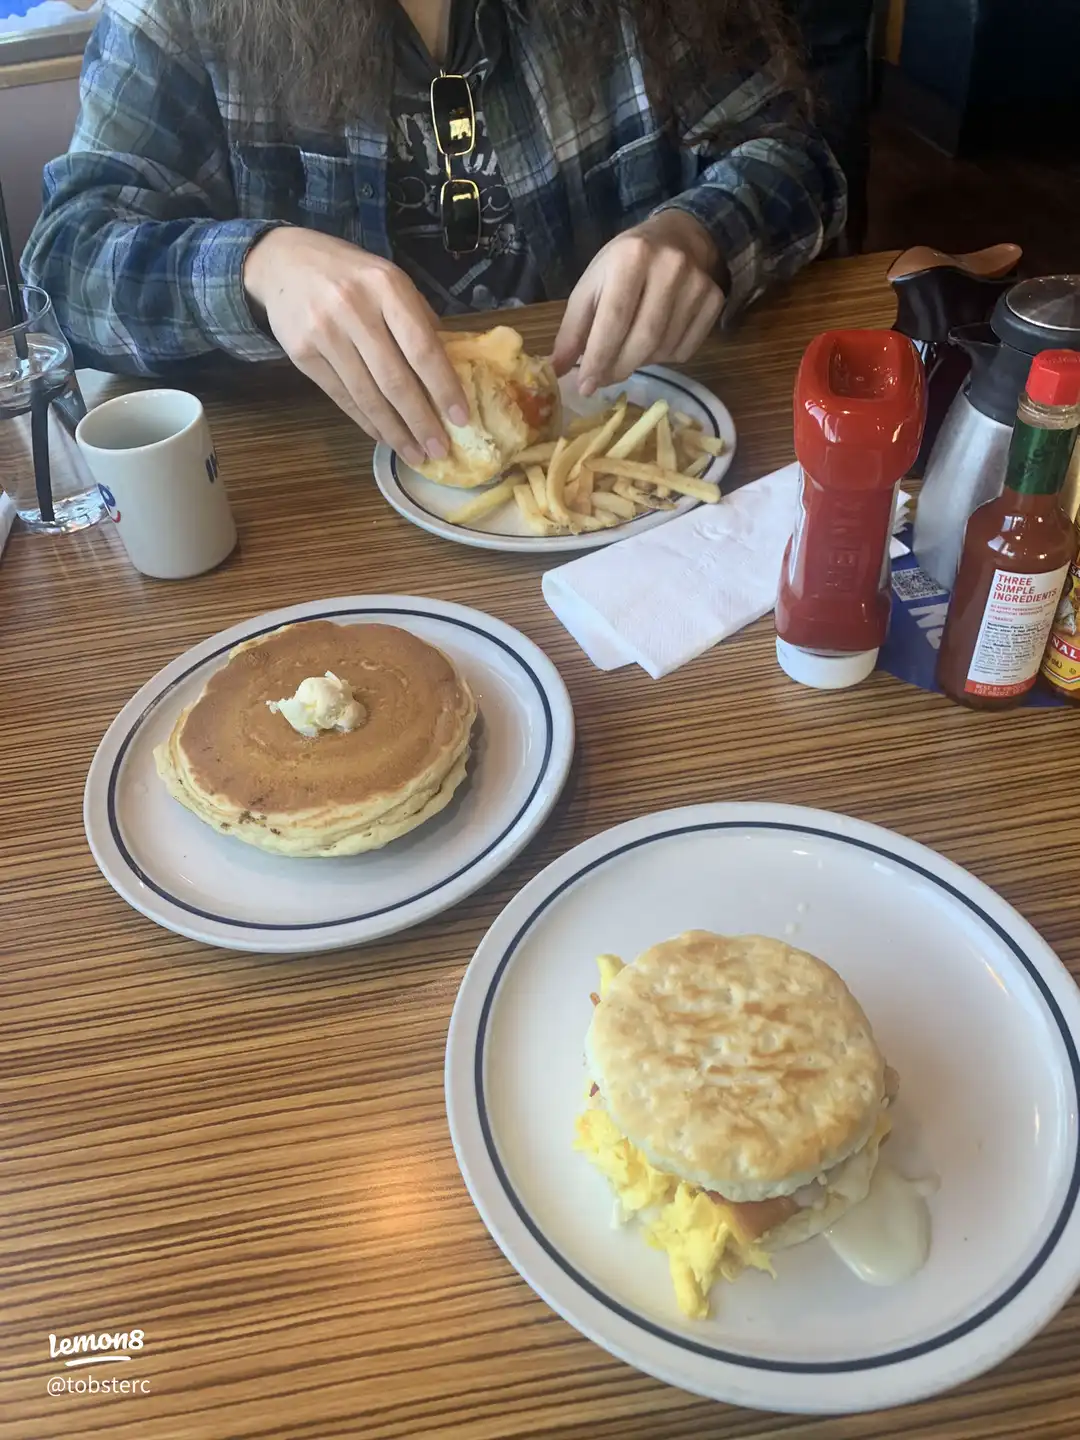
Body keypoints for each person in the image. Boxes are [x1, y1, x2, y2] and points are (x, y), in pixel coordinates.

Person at [22, 0, 846, 468]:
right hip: (317, 512)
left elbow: (798, 158)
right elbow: (65, 258)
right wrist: (257, 267)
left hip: (625, 483)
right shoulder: (182, 12)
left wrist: (695, 233)